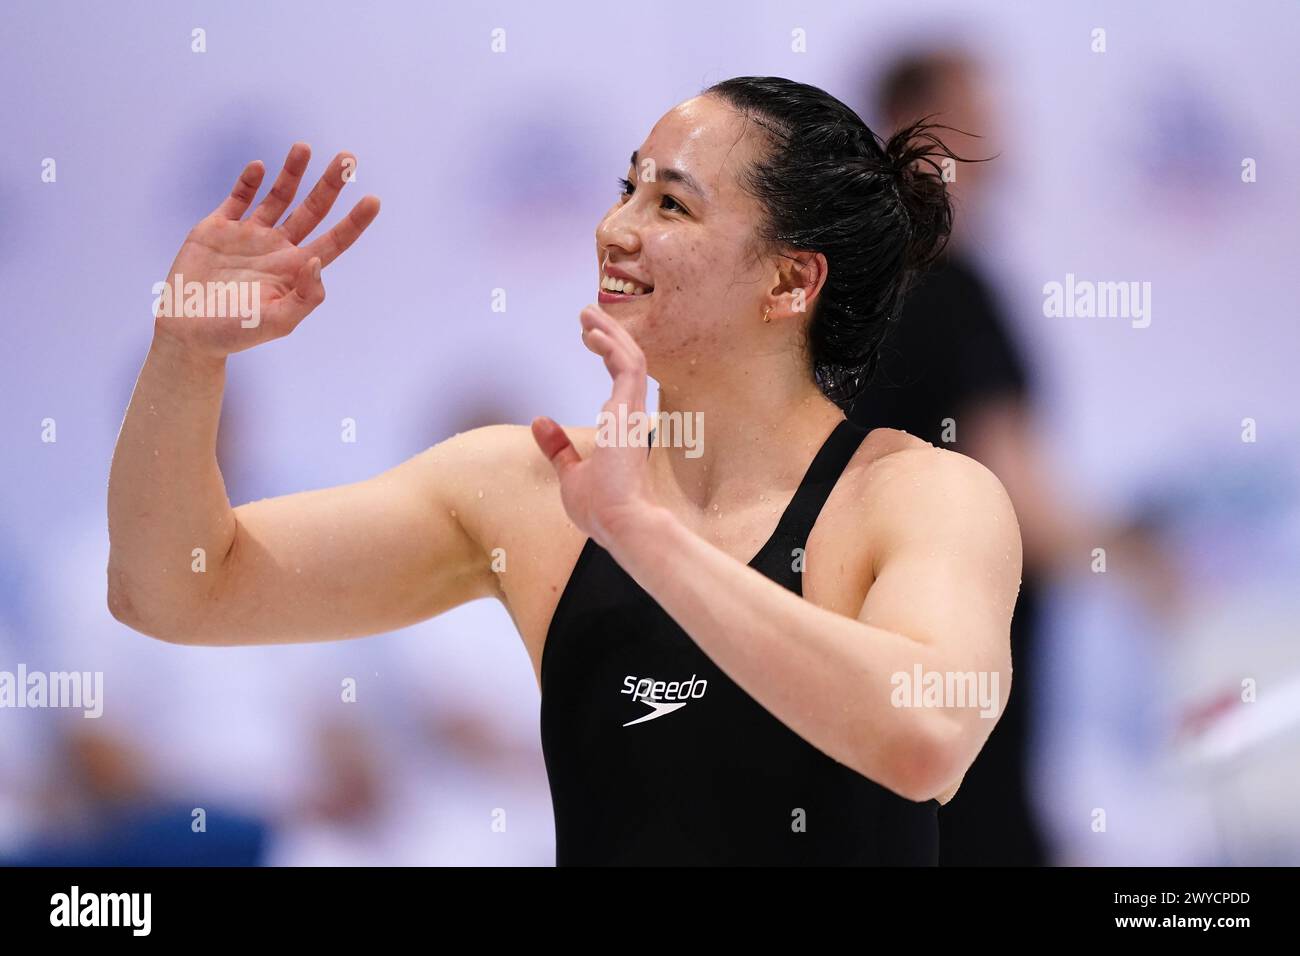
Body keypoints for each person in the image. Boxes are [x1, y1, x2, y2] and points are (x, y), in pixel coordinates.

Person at [107, 76, 1022, 866]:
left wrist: (643, 535)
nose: (613, 228)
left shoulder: (920, 497)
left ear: (789, 282)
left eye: (671, 203)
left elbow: (926, 740)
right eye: (625, 188)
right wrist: (186, 354)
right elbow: (177, 591)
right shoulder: (529, 487)